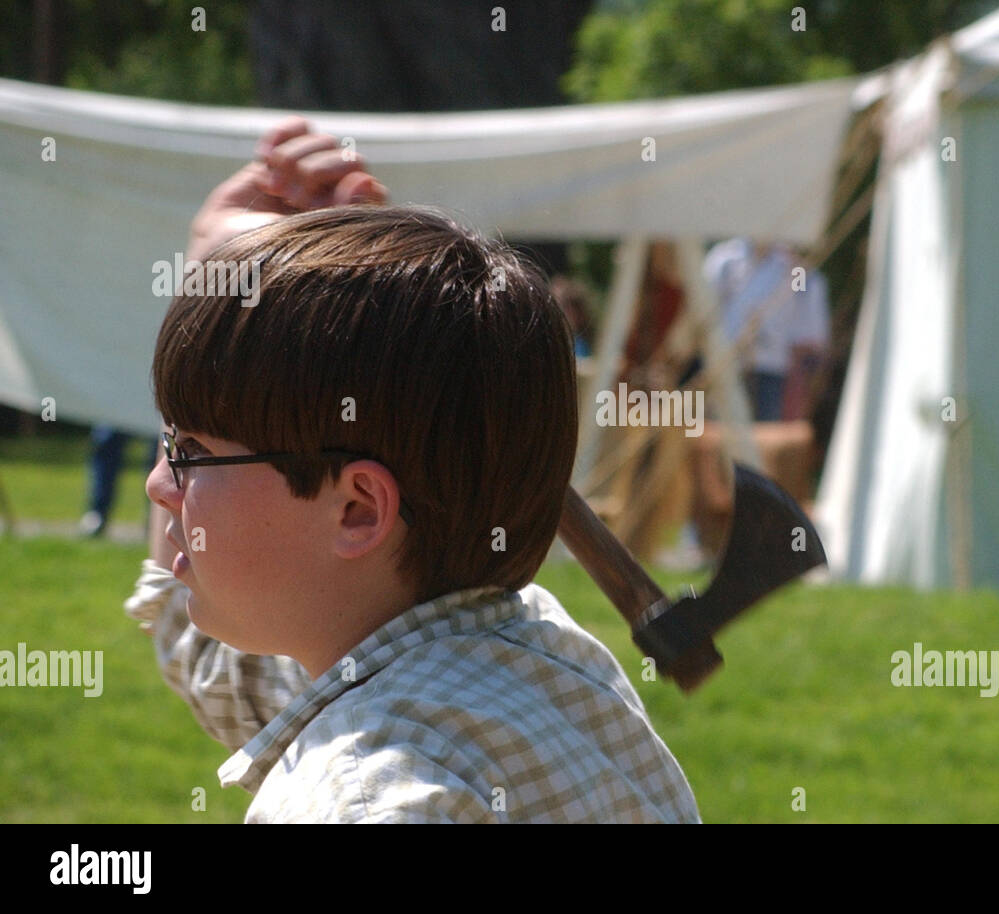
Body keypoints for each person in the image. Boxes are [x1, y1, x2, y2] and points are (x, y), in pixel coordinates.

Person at [124, 118, 699, 824]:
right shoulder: (539, 659)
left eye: (192, 454)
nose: (159, 482)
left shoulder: (359, 798)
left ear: (360, 509)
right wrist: (220, 271)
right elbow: (223, 673)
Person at [703, 237, 830, 422]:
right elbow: (705, 307)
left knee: (766, 429)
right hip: (727, 362)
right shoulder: (724, 260)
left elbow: (805, 297)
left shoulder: (792, 266)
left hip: (772, 365)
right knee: (722, 427)